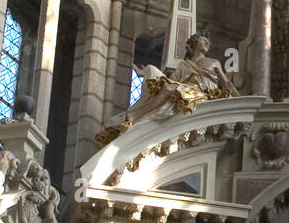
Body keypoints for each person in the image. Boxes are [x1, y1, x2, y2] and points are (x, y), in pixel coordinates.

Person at [97, 31, 238, 145]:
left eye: (208, 42)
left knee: (172, 89)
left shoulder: (214, 62)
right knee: (160, 79)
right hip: (186, 89)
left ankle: (136, 116)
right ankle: (134, 116)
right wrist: (145, 72)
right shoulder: (184, 64)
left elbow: (226, 84)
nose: (207, 43)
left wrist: (239, 98)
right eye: (203, 40)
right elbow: (173, 81)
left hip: (203, 93)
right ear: (194, 44)